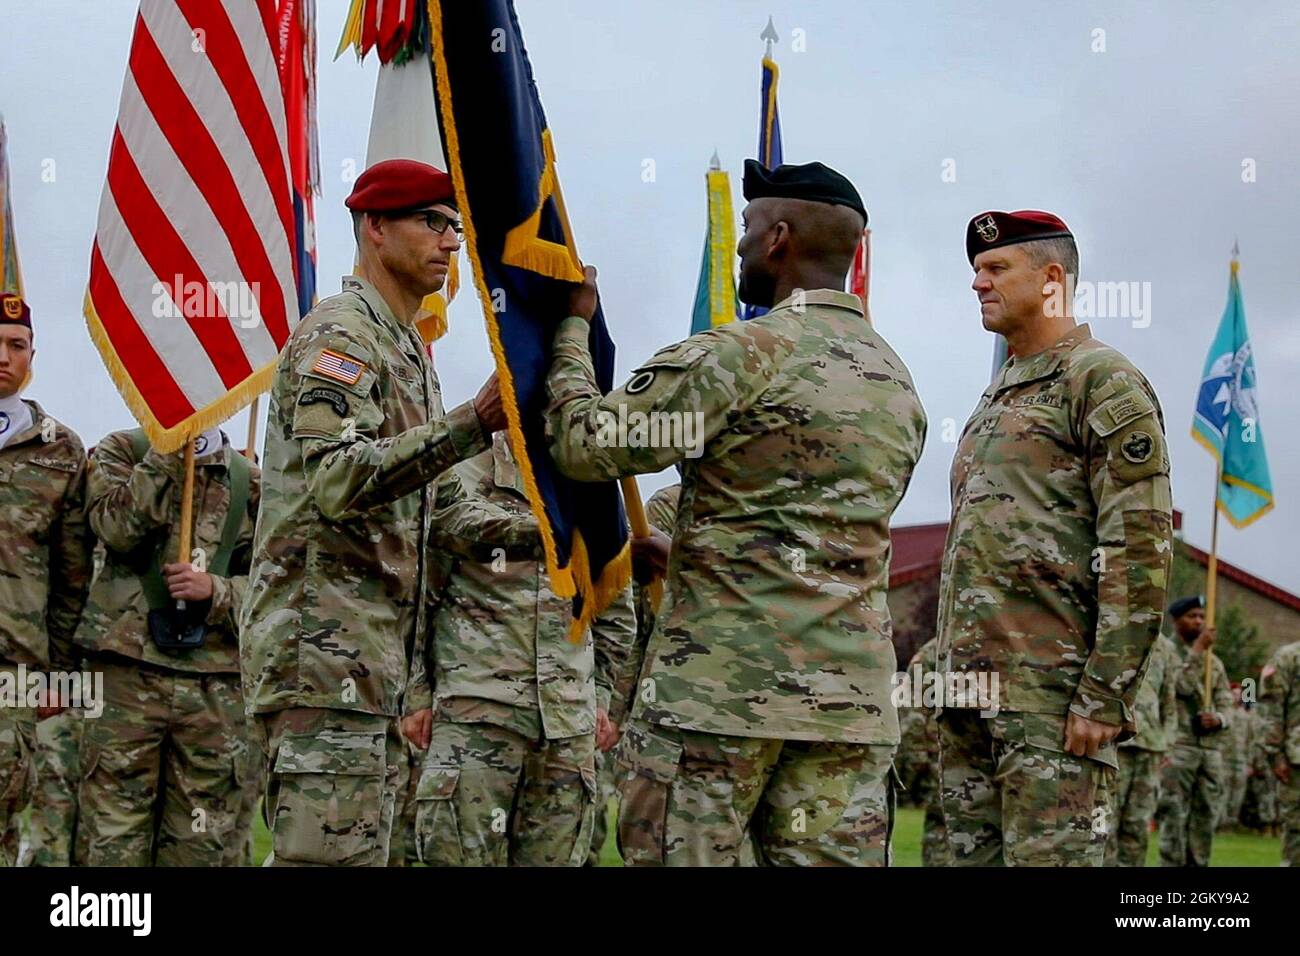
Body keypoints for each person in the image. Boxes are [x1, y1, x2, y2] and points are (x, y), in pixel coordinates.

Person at [545, 160, 927, 866]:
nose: (742, 246)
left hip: (718, 700)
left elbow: (583, 445)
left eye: (749, 230)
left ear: (780, 238)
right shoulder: (898, 385)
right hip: (847, 710)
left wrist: (571, 334)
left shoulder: (743, 355)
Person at [240, 159, 532, 866]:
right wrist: (472, 423)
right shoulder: (343, 337)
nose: (452, 242)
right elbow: (336, 481)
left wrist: (562, 537)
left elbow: (448, 513)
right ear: (375, 226)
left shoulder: (408, 349)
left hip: (375, 676)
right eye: (432, 223)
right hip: (321, 660)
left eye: (456, 227)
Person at [936, 210, 1173, 866]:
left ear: (1050, 279)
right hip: (969, 700)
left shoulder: (1100, 379)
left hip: (1051, 707)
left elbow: (1139, 550)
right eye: (975, 271)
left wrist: (1104, 695)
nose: (978, 283)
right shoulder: (998, 396)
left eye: (995, 269)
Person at [403, 433, 637, 866]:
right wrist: (417, 695)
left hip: (567, 726)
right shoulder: (461, 477)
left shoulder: (591, 485)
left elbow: (616, 613)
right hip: (476, 714)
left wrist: (601, 698)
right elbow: (419, 597)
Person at [77, 424, 259, 865]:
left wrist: (214, 589)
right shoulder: (123, 450)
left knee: (204, 842)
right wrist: (166, 452)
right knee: (111, 838)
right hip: (126, 677)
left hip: (215, 687)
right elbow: (116, 527)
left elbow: (275, 588)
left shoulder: (250, 481)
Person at [0, 293, 93, 867]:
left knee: (7, 809)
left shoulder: (58, 449)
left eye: (16, 345)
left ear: (34, 354)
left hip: (13, 669)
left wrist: (58, 674)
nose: (4, 356)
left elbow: (72, 575)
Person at [1156, 596, 1233, 867]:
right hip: (1179, 746)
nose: (1199, 621)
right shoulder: (1165, 652)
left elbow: (1227, 701)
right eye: (1192, 616)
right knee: (1174, 813)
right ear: (1176, 621)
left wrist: (1220, 718)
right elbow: (1180, 687)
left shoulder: (1216, 663)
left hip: (1209, 750)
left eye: (1202, 616)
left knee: (1206, 815)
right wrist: (1197, 651)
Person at [1106, 631, 1179, 866]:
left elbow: (1169, 700)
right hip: (1116, 742)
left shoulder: (1165, 647)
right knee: (1107, 823)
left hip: (1150, 747)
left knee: (1138, 825)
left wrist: (1167, 743)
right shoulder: (1112, 629)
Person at [1257, 640, 1299, 865]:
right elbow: (1270, 709)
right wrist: (1275, 754)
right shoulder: (1288, 657)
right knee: (1296, 832)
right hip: (1296, 759)